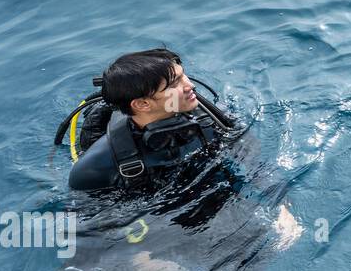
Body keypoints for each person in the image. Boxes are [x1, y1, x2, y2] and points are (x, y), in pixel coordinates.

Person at [64, 48, 233, 192]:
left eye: (183, 76)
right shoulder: (93, 168)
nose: (190, 85)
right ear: (143, 104)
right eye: (174, 84)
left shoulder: (213, 117)